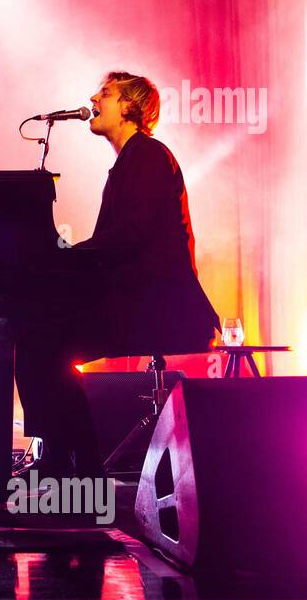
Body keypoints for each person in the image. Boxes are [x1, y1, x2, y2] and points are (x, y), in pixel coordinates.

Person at [14, 71, 219, 477]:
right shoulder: (130, 160)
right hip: (133, 297)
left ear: (129, 107)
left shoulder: (149, 155)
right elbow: (118, 241)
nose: (92, 97)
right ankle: (62, 460)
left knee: (46, 341)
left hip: (158, 304)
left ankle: (80, 471)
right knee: (38, 337)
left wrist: (72, 256)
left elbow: (133, 234)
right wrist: (70, 260)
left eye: (105, 93)